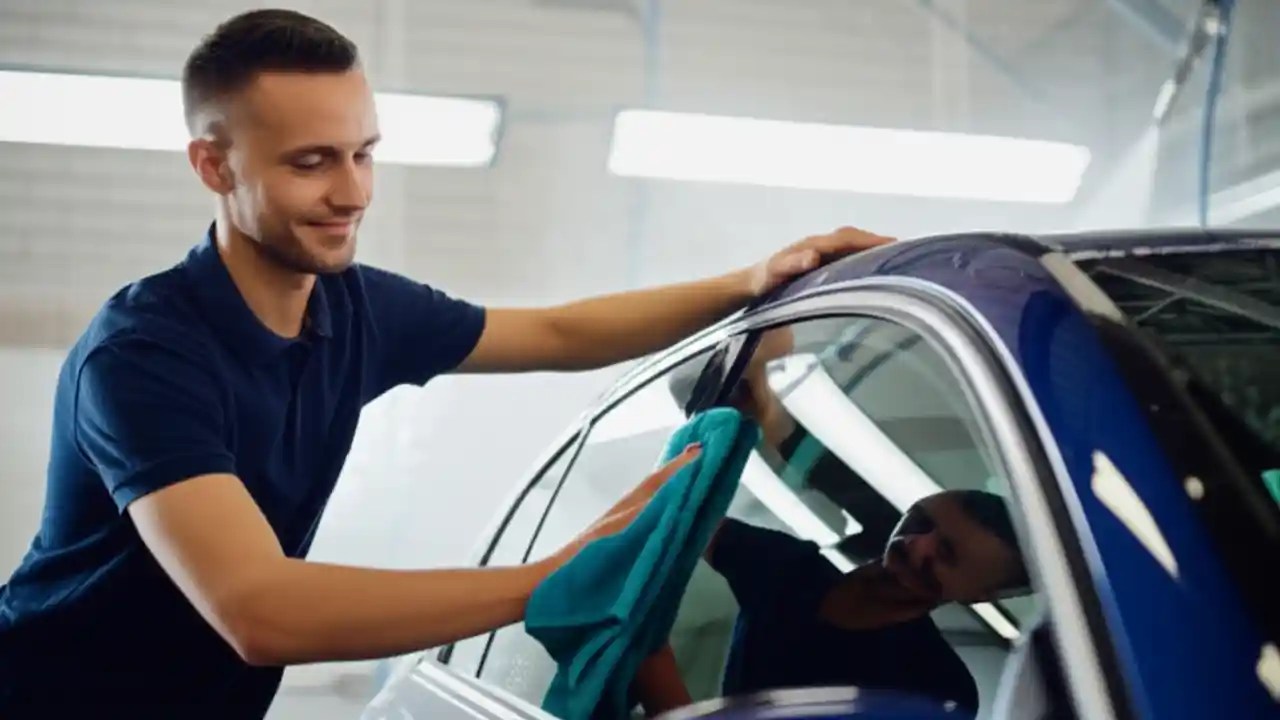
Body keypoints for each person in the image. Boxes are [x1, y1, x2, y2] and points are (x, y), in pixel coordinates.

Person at [0, 9, 893, 718]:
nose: (351, 192)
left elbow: (554, 335)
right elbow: (259, 611)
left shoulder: (357, 309)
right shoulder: (145, 356)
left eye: (363, 153)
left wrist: (750, 280)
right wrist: (551, 582)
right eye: (311, 163)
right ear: (212, 164)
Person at [636, 330, 1029, 717]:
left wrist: (648, 659)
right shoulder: (789, 567)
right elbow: (677, 513)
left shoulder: (935, 689)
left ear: (981, 593)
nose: (917, 544)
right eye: (920, 520)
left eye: (948, 553)